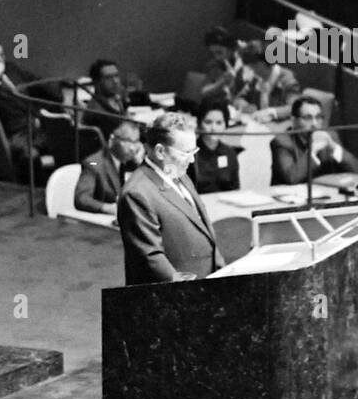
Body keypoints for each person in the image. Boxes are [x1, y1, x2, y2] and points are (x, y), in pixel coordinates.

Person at [117, 112, 225, 285]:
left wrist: (221, 271)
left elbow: (202, 225)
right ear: (160, 151)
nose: (191, 160)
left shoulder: (179, 173)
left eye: (194, 151)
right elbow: (150, 256)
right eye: (185, 153)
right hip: (174, 294)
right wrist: (184, 287)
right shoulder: (137, 193)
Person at [0, 41, 63, 170]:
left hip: (37, 126)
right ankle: (37, 188)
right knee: (31, 157)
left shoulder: (12, 69)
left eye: (1, 55)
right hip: (17, 134)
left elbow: (37, 82)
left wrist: (61, 91)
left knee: (70, 144)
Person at [269, 96, 358, 185]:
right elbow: (291, 178)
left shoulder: (330, 136)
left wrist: (335, 148)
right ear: (294, 121)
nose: (315, 123)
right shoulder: (281, 141)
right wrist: (312, 152)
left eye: (318, 117)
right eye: (308, 118)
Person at [73, 120, 142, 216]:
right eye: (127, 141)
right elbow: (81, 199)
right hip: (102, 222)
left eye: (136, 141)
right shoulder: (94, 164)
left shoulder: (132, 162)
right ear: (112, 140)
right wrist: (108, 208)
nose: (132, 148)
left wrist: (141, 164)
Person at [231, 49, 301, 122]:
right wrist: (245, 106)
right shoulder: (256, 78)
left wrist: (271, 112)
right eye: (250, 66)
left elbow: (295, 107)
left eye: (254, 65)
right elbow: (238, 99)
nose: (252, 69)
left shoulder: (287, 79)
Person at [189, 100, 242, 194]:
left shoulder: (230, 153)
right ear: (199, 124)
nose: (213, 128)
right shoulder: (190, 154)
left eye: (219, 123)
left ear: (225, 125)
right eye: (208, 122)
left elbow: (235, 190)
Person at [199, 27, 242, 104]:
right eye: (213, 53)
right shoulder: (213, 65)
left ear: (231, 49)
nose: (217, 57)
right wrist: (222, 82)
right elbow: (204, 92)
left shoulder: (245, 65)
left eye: (219, 52)